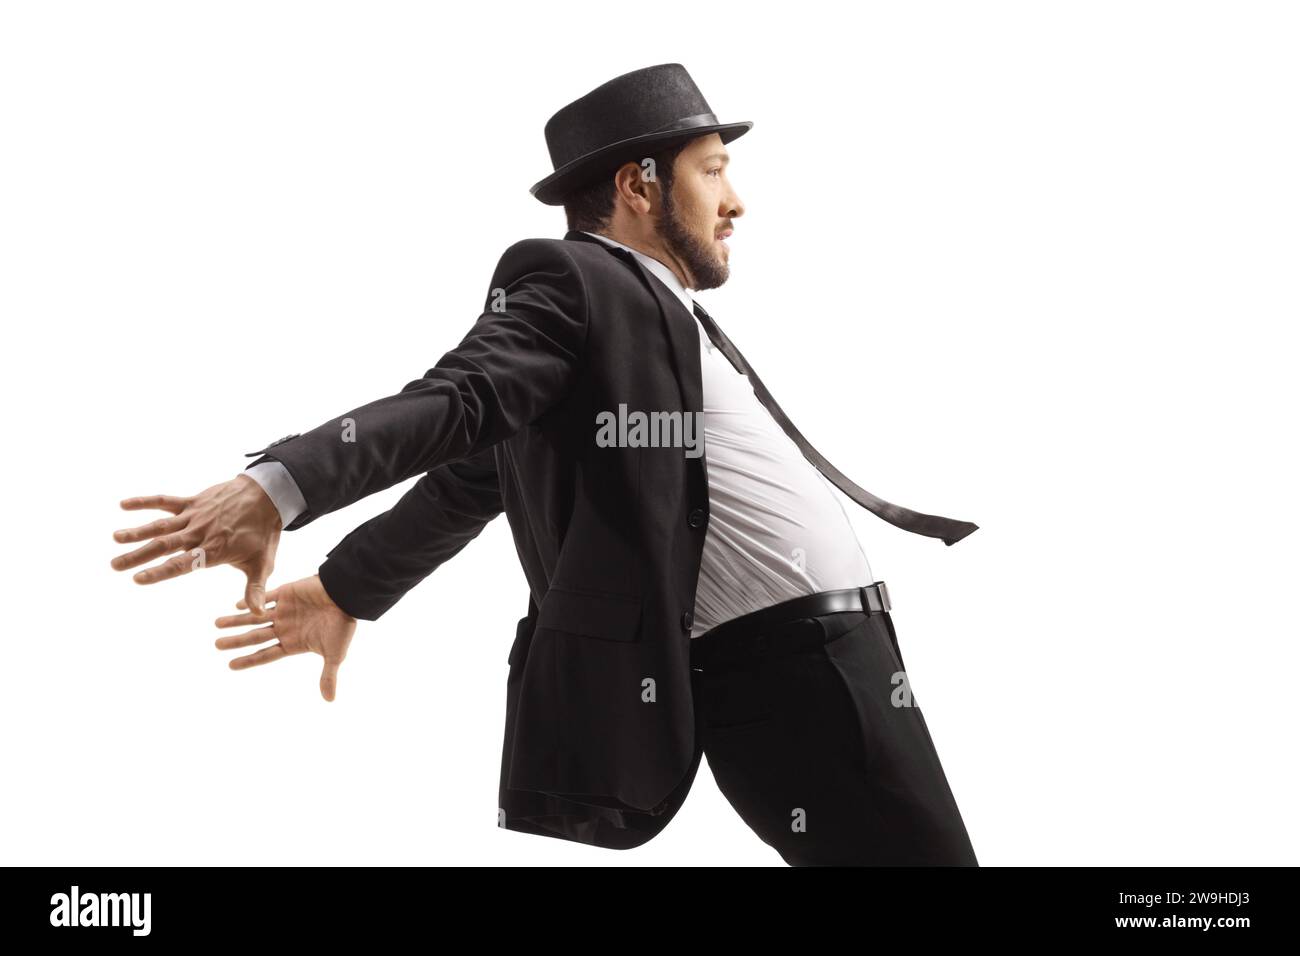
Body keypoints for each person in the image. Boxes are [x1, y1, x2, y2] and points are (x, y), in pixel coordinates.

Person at [112, 63, 979, 864]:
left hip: (843, 659)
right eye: (712, 170)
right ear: (638, 185)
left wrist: (349, 590)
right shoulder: (574, 280)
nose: (736, 201)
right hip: (793, 672)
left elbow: (480, 473)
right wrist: (276, 489)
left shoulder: (651, 320)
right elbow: (461, 400)